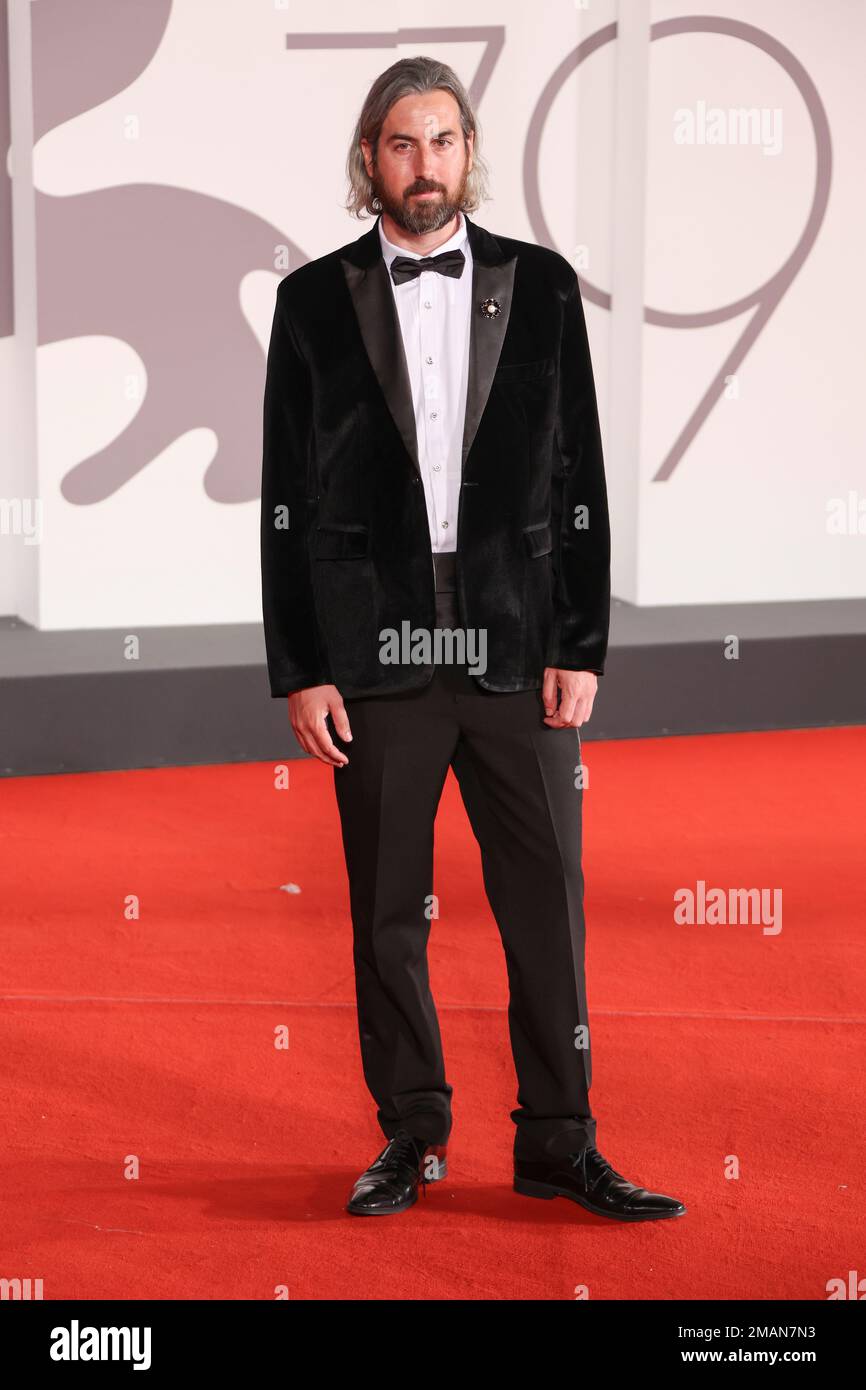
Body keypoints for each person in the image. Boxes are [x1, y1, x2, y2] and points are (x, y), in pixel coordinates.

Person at [260, 55, 685, 1223]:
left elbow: (579, 476)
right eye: (402, 143)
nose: (424, 164)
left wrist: (582, 643)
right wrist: (299, 667)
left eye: (442, 140)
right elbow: (285, 503)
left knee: (545, 903)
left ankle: (559, 1140)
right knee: (387, 914)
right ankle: (411, 1135)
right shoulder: (308, 304)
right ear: (369, 160)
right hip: (376, 657)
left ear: (466, 152)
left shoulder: (540, 288)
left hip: (515, 647)